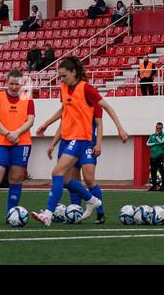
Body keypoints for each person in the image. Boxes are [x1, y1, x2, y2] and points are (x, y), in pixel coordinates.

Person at [31, 56, 128, 227]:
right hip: (67, 139)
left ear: (74, 72)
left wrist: (120, 128)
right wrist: (46, 124)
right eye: (59, 76)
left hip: (81, 139)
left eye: (64, 76)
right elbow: (64, 110)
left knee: (57, 173)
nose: (61, 79)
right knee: (67, 180)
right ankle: (91, 200)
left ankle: (48, 214)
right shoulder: (63, 88)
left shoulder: (87, 89)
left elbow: (107, 107)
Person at [0, 69, 35, 224]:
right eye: (11, 83)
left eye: (17, 84)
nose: (14, 87)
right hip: (1, 142)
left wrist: (16, 133)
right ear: (6, 83)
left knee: (15, 179)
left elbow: (30, 120)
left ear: (21, 84)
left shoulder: (27, 99)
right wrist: (8, 134)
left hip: (21, 143)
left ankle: (12, 215)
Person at [146, 122, 164, 191]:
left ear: (162, 128)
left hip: (160, 156)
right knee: (153, 171)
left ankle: (163, 186)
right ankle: (154, 186)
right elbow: (147, 144)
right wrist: (155, 143)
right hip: (153, 156)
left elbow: (161, 142)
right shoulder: (152, 135)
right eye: (157, 128)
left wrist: (157, 136)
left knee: (162, 171)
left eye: (159, 128)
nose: (158, 129)